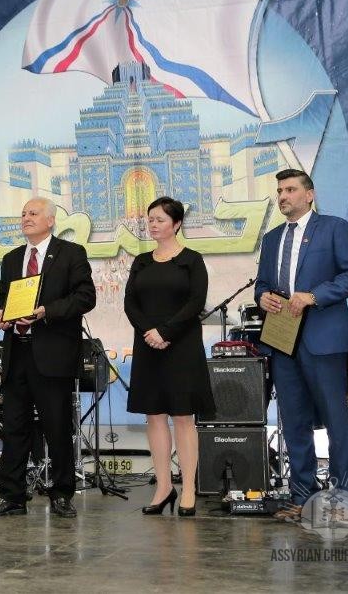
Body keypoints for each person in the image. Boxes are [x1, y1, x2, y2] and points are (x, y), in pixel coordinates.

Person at [255, 168, 348, 521]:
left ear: (309, 194)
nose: (283, 196)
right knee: (293, 423)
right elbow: (261, 284)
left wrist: (314, 296)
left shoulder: (334, 228)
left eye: (290, 189)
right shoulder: (272, 238)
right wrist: (263, 299)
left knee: (336, 422)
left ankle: (342, 502)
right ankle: (302, 498)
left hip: (323, 340)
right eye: (279, 191)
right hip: (282, 340)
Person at [0, 197, 96, 518]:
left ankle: (61, 494)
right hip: (18, 353)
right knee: (14, 427)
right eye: (23, 213)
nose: (26, 218)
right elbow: (4, 295)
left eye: (33, 213)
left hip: (53, 355)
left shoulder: (71, 254)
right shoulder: (13, 258)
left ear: (50, 220)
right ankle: (12, 496)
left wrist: (46, 312)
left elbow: (86, 297)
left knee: (56, 427)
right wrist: (0, 311)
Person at [124, 197, 213, 517]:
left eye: (159, 219)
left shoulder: (191, 260)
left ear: (176, 224)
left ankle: (188, 487)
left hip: (182, 346)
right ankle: (163, 487)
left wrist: (166, 332)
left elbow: (195, 302)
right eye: (149, 219)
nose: (152, 224)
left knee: (183, 417)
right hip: (148, 346)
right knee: (154, 416)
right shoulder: (142, 261)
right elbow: (130, 303)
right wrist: (150, 330)